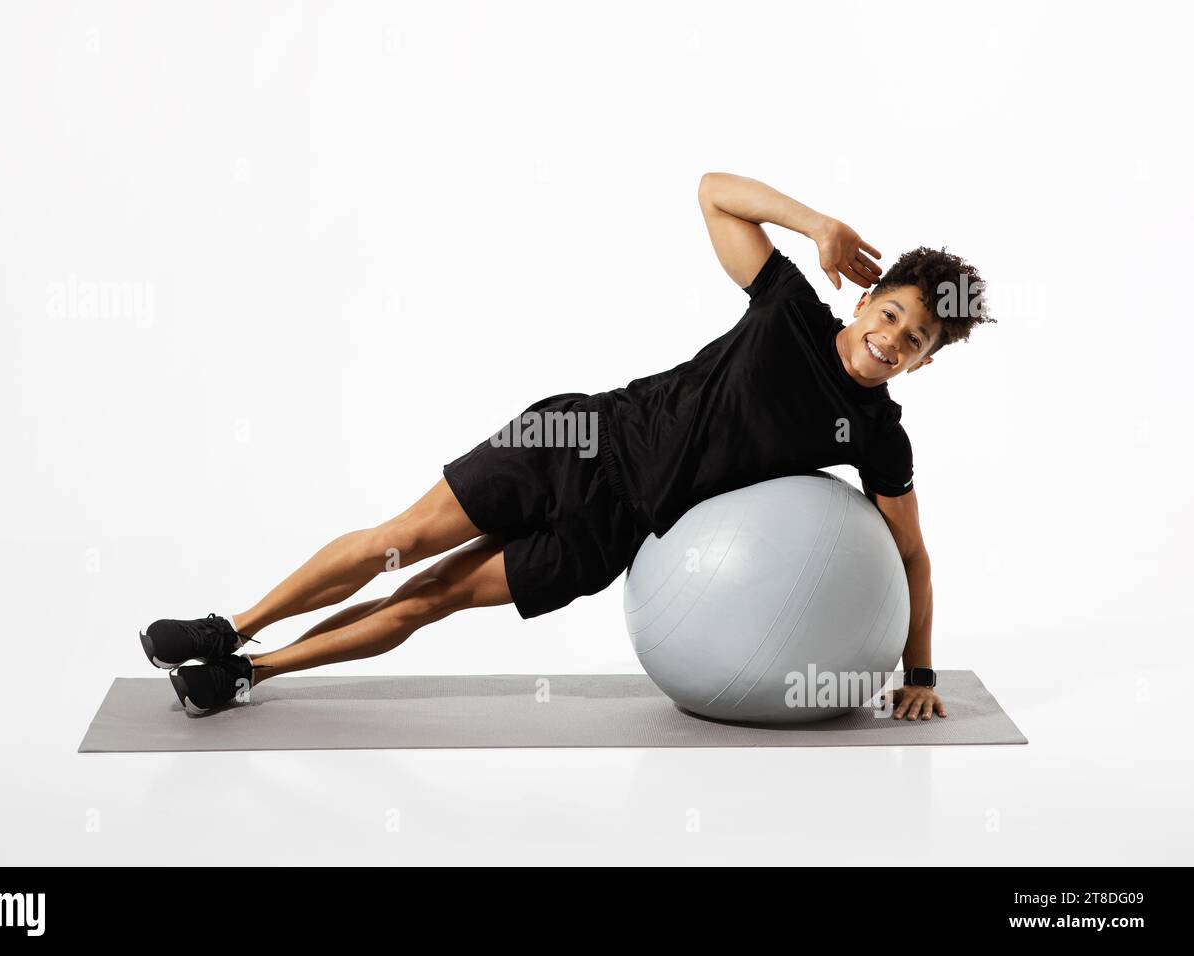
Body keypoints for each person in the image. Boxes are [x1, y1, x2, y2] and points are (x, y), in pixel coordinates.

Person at [140, 172, 993, 722]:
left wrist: (919, 671)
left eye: (915, 340)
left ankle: (251, 673)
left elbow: (910, 555)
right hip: (575, 440)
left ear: (923, 362)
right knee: (397, 543)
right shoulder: (787, 308)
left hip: (613, 531)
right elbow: (712, 193)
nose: (893, 340)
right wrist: (816, 223)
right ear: (866, 298)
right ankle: (229, 625)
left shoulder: (879, 436)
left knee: (434, 598)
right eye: (892, 314)